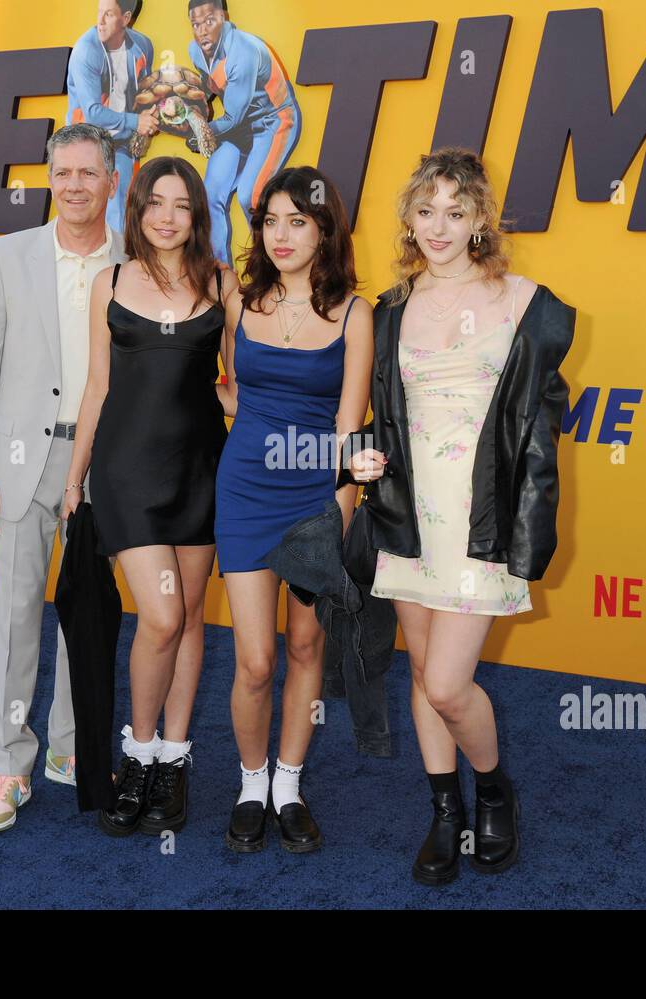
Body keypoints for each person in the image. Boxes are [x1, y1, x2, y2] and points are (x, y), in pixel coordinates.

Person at [349, 147, 576, 883]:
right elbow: (374, 411)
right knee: (421, 676)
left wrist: (530, 516)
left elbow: (546, 414)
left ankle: (493, 785)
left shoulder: (525, 300)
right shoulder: (389, 307)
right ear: (408, 218)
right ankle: (446, 812)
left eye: (455, 211)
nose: (439, 226)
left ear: (481, 219)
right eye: (425, 210)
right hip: (407, 514)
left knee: (448, 683)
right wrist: (363, 458)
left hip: (479, 519)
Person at [0, 123, 128, 832]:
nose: (76, 186)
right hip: (20, 460)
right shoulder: (5, 257)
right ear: (49, 178)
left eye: (90, 173)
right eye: (64, 173)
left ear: (112, 181)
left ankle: (67, 748)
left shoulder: (138, 262)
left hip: (106, 460)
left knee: (85, 610)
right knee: (15, 613)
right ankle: (7, 763)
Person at [63, 156, 232, 837]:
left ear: (197, 215)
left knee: (190, 617)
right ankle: (137, 753)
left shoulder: (223, 284)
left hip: (201, 470)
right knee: (161, 616)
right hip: (127, 474)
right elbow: (97, 386)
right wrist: (75, 480)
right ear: (137, 210)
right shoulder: (108, 281)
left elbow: (238, 383)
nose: (167, 215)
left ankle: (173, 758)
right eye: (155, 202)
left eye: (181, 205)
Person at [214, 166, 373, 852]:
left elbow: (349, 425)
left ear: (324, 229)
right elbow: (233, 392)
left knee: (306, 642)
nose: (281, 236)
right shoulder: (239, 303)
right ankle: (251, 781)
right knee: (254, 661)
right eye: (270, 221)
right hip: (246, 489)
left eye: (297, 222)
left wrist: (338, 512)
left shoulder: (354, 313)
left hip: (315, 496)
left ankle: (288, 781)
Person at [187, 0, 302, 265]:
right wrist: (188, 111)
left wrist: (202, 132)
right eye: (196, 24)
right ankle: (219, 273)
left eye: (209, 21)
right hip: (238, 130)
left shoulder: (244, 52)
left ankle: (269, 270)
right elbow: (211, 87)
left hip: (271, 123)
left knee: (250, 196)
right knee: (209, 195)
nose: (202, 30)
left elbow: (232, 118)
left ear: (224, 18)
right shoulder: (195, 50)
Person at [66, 0, 159, 236]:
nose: (100, 21)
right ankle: (105, 271)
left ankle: (121, 269)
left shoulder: (143, 46)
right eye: (99, 12)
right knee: (95, 217)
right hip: (88, 145)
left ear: (126, 18)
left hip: (123, 146)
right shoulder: (87, 50)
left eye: (108, 14)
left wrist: (155, 111)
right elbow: (93, 113)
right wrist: (136, 121)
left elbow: (144, 93)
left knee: (125, 214)